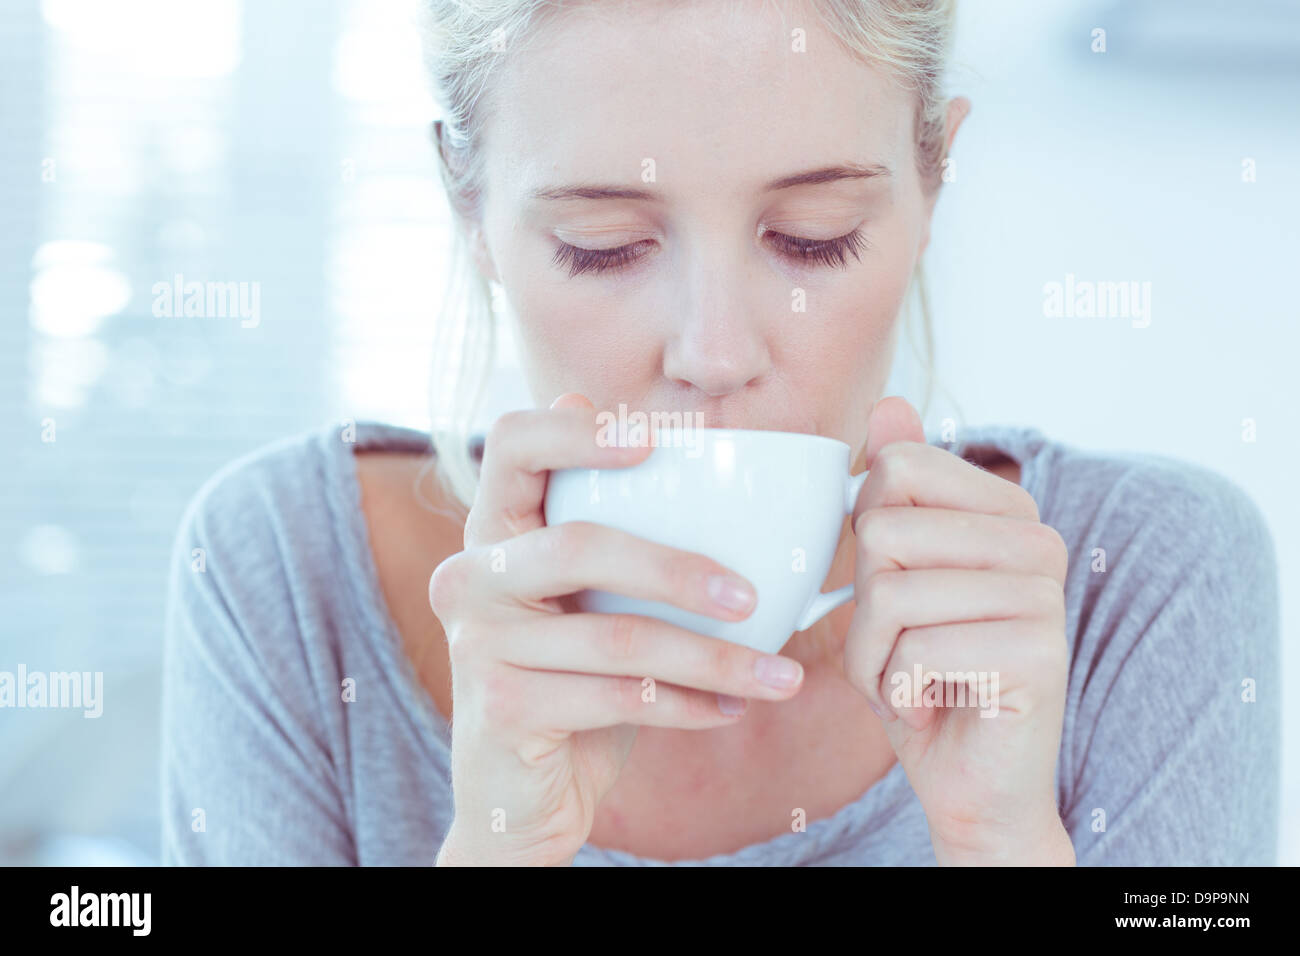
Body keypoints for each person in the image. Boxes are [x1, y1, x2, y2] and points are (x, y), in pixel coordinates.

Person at [160, 0, 1279, 866]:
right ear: (472, 209)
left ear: (933, 181)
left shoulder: (1145, 578)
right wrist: (498, 843)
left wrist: (1004, 845)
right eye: (601, 245)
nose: (712, 348)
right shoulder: (284, 576)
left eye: (812, 238)